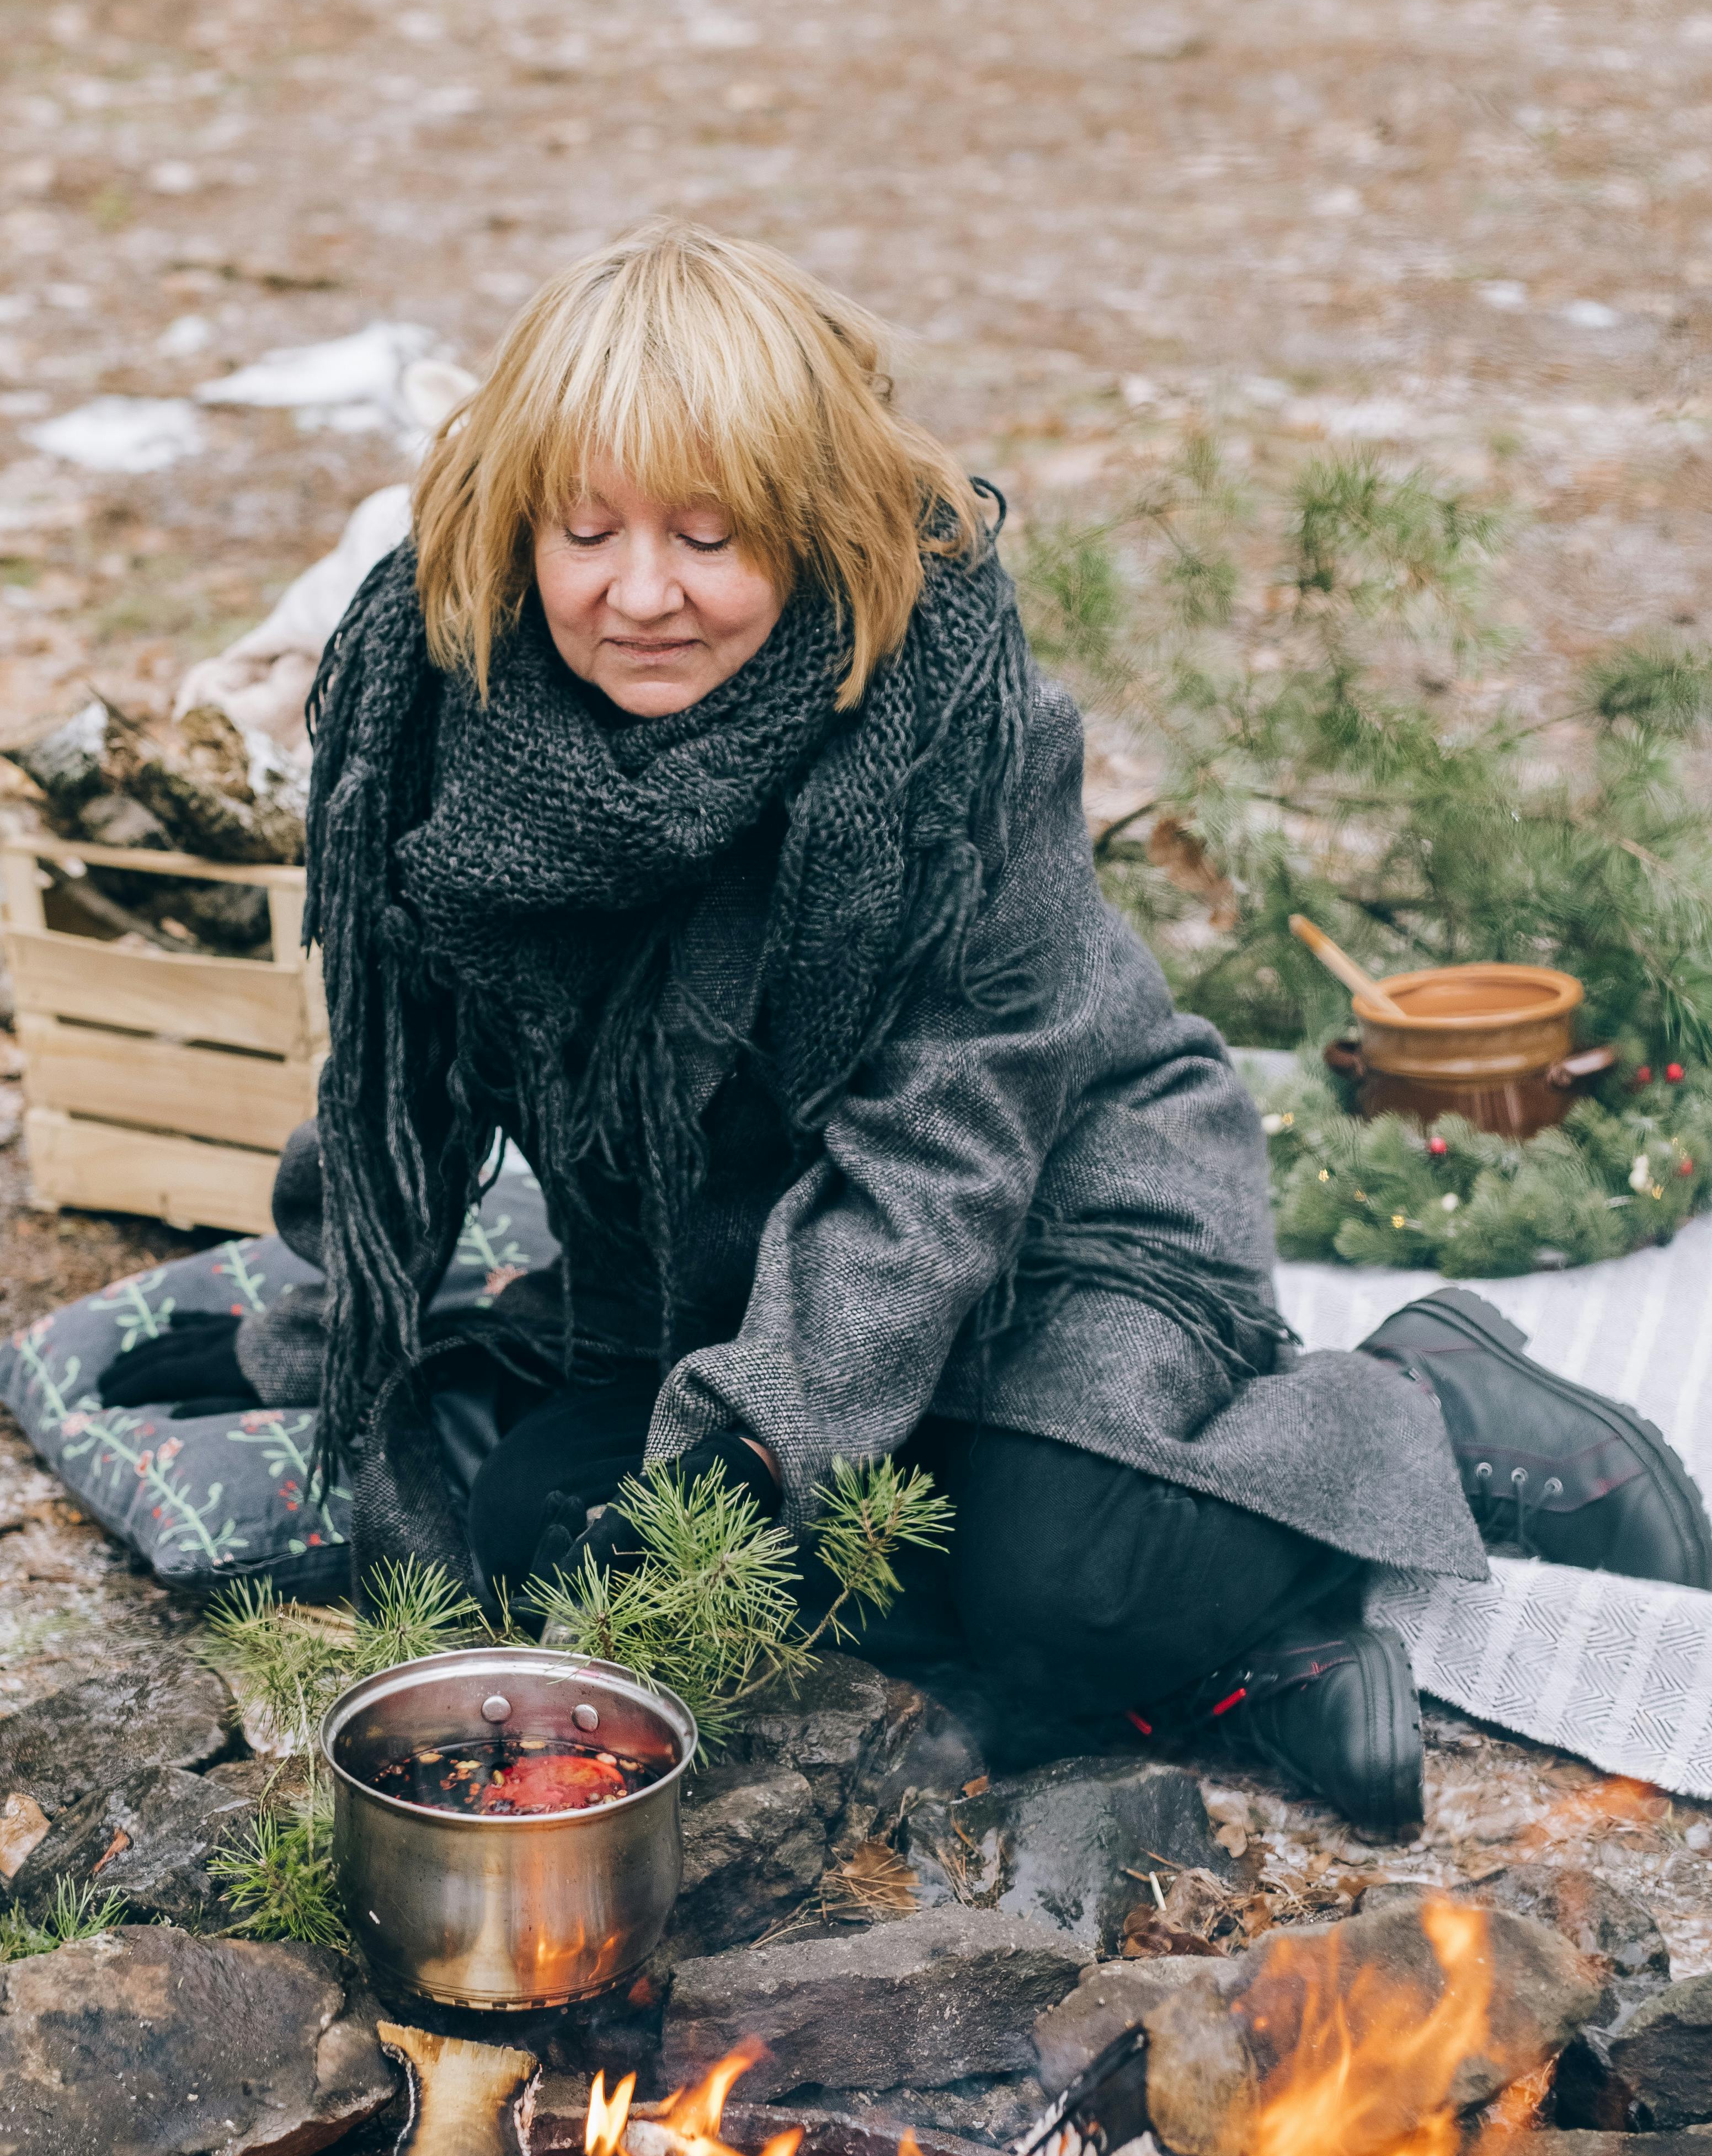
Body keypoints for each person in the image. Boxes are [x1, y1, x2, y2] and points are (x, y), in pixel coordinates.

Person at [227, 222, 1712, 1835]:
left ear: (810, 531)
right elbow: (391, 1088)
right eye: (585, 532)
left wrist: (745, 1464)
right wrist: (338, 1373)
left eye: (710, 539)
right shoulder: (446, 726)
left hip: (1047, 1224)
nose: (639, 593)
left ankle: (1421, 1399)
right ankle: (1216, 1619)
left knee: (1063, 1574)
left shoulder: (950, 735)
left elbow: (943, 1160)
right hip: (728, 1280)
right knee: (532, 1524)